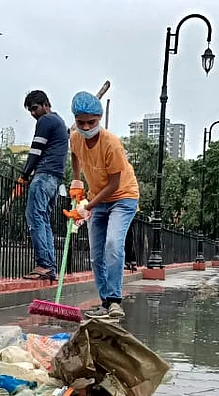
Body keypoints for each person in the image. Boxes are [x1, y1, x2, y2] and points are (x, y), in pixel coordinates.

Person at [63, 90, 140, 320]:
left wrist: (87, 207)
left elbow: (115, 184)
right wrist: (77, 181)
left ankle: (115, 301)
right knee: (96, 255)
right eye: (81, 122)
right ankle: (105, 302)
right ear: (75, 120)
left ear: (99, 119)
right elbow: (75, 155)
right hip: (98, 198)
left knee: (113, 245)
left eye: (91, 122)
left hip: (122, 197)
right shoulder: (75, 137)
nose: (86, 127)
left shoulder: (112, 144)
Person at [17, 90, 69, 281]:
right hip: (54, 179)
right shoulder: (59, 123)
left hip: (45, 176)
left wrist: (24, 175)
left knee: (35, 216)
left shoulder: (46, 121)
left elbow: (35, 151)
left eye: (35, 108)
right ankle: (49, 267)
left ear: (46, 104)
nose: (33, 113)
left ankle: (44, 265)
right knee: (43, 219)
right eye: (30, 110)